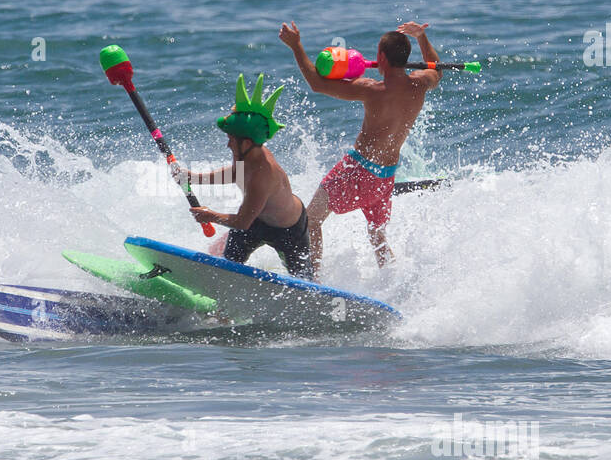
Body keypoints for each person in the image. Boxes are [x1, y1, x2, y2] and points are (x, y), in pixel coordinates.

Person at [279, 20, 441, 273]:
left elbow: (317, 84)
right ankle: (391, 281)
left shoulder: (373, 89)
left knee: (310, 221)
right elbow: (437, 69)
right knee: (377, 235)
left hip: (357, 172)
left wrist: (296, 45)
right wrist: (421, 37)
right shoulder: (420, 83)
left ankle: (313, 281)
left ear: (382, 58)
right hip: (385, 179)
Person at [181, 74, 313, 279]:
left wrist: (209, 215)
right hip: (256, 222)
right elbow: (235, 173)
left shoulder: (263, 176)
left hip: (288, 230)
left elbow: (242, 221)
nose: (227, 144)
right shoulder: (245, 154)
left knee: (304, 283)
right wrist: (194, 178)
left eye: (231, 139)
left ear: (247, 143)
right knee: (227, 266)